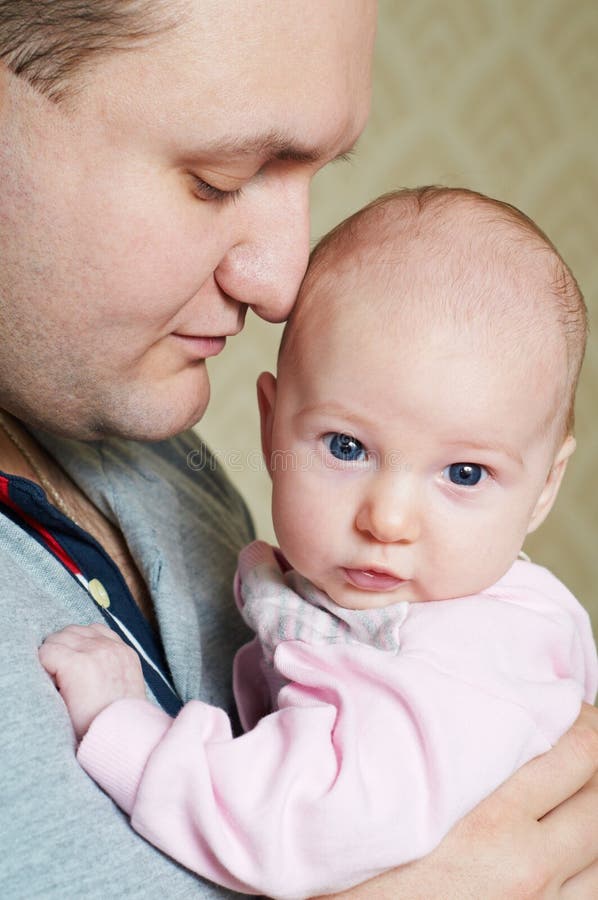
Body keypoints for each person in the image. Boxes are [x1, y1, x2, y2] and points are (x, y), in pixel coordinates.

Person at [0, 0, 595, 896]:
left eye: (464, 472)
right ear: (280, 428)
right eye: (217, 176)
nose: (283, 285)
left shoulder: (158, 462)